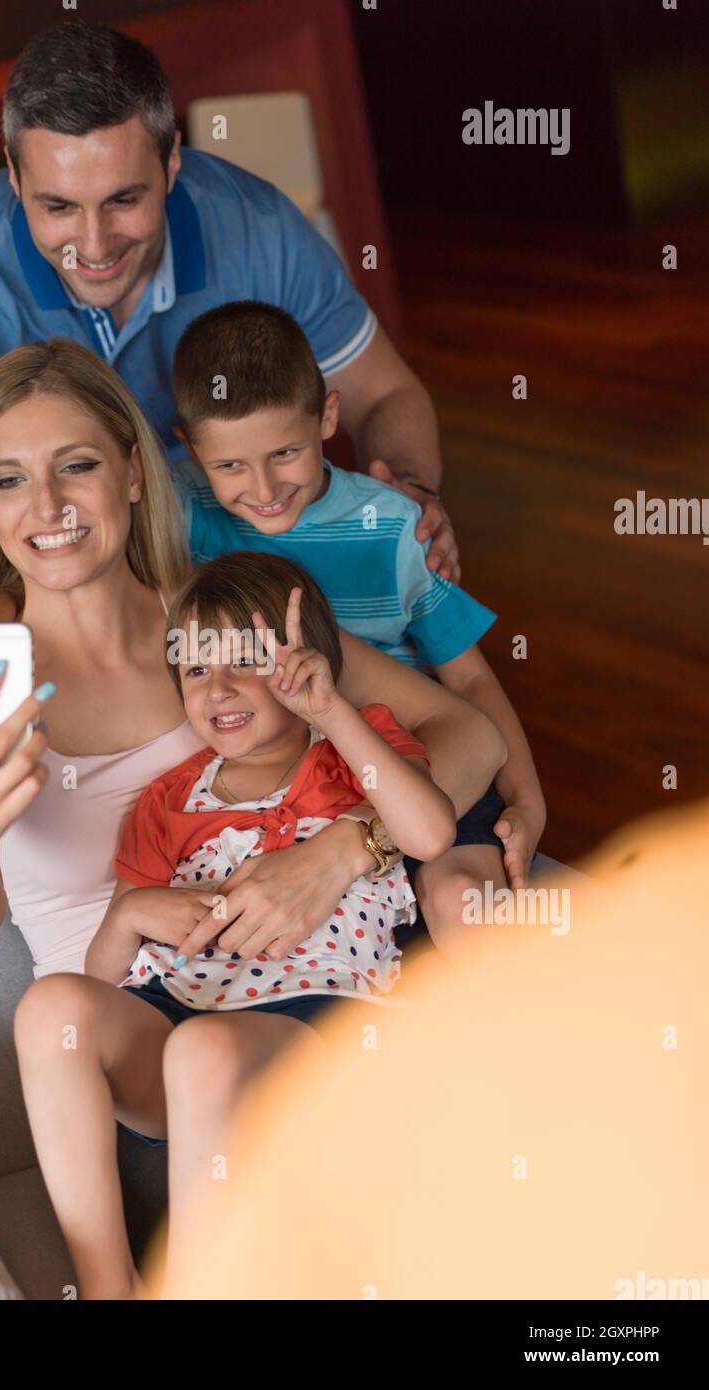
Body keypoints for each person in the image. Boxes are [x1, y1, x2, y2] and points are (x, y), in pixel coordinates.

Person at [0, 339, 503, 1296]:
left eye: (79, 466)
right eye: (8, 480)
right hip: (131, 1028)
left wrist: (348, 847)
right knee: (49, 1009)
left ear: (136, 473)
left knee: (213, 1051)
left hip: (281, 1001)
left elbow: (464, 731)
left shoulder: (224, 621)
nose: (47, 509)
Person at [0, 19, 456, 771]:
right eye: (58, 207)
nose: (94, 244)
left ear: (173, 163)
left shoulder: (257, 228)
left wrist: (411, 491)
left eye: (123, 200)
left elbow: (385, 394)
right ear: (12, 180)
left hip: (231, 590)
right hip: (34, 600)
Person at [36, 551, 457, 1298]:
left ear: (307, 666)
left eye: (244, 663)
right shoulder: (167, 801)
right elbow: (102, 983)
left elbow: (426, 834)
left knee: (203, 1051)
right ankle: (108, 1286)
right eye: (195, 671)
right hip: (176, 1025)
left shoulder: (351, 754)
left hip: (318, 1027)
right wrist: (130, 912)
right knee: (49, 1007)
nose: (218, 688)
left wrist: (331, 712)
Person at [164, 301, 546, 944]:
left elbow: (473, 685)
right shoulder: (182, 512)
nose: (262, 487)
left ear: (329, 418)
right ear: (189, 447)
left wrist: (528, 799)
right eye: (229, 465)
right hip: (278, 781)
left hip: (412, 760)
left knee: (458, 899)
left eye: (285, 451)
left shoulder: (395, 525)